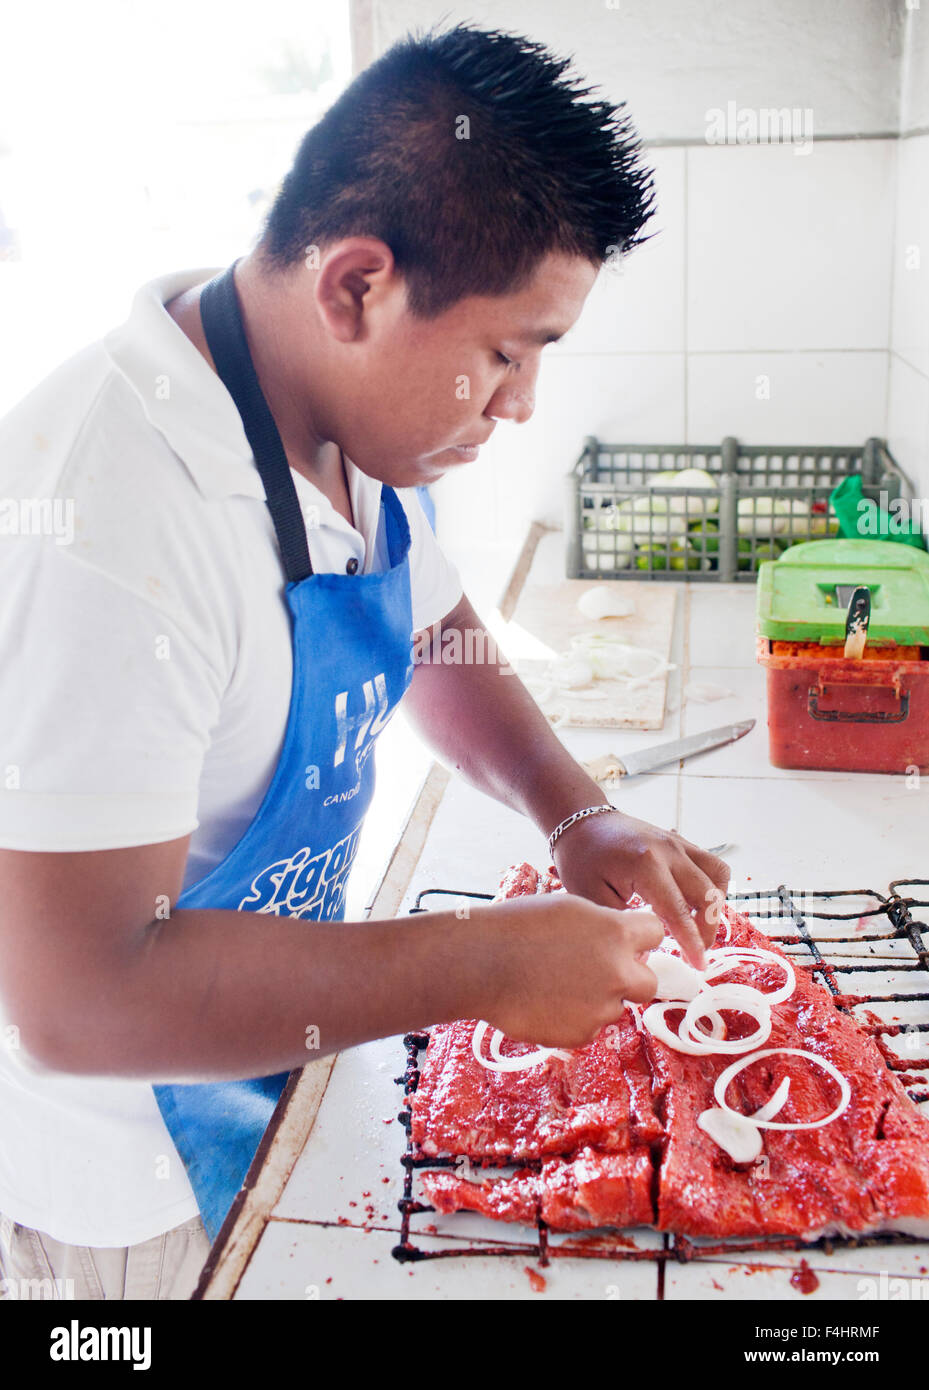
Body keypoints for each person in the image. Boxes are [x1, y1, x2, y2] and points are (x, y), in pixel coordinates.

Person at [0, 22, 729, 1300]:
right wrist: (485, 961)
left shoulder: (323, 409)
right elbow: (79, 1001)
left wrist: (578, 815)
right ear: (356, 287)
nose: (518, 406)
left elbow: (431, 627)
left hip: (271, 1060)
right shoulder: (112, 526)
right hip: (125, 1191)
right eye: (506, 354)